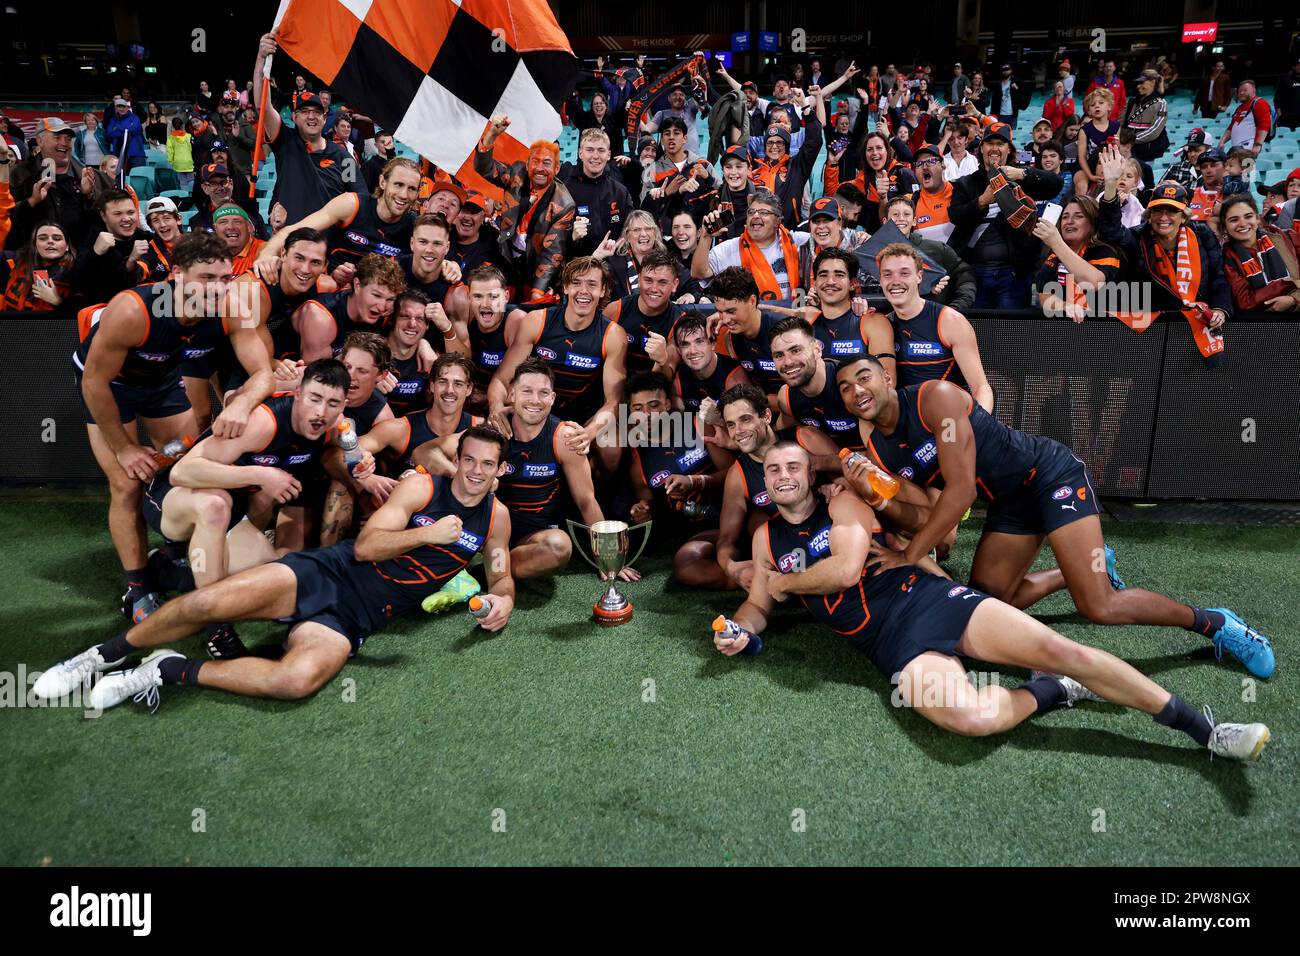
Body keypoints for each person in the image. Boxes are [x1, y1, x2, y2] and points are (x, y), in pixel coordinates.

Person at [710, 440, 1270, 762]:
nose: (783, 476)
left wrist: (785, 585)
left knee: (1061, 646)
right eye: (774, 470)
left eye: (793, 467)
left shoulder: (844, 506)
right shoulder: (766, 538)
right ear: (764, 479)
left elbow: (846, 568)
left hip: (932, 600)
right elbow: (757, 604)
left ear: (812, 475)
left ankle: (1205, 730)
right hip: (892, 646)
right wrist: (741, 631)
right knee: (970, 718)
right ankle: (1051, 692)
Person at [837, 358, 1274, 679]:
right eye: (845, 388)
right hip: (1012, 504)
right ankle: (1077, 569)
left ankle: (1216, 623)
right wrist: (868, 495)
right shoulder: (880, 447)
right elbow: (929, 513)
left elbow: (962, 492)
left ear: (886, 377)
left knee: (1099, 606)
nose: (857, 390)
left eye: (864, 377)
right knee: (992, 605)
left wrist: (911, 555)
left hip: (1049, 477)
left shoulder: (937, 399)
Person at [37, 427, 517, 711]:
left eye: (487, 464)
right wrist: (426, 534)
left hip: (356, 617)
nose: (475, 470)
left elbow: (501, 572)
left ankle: (169, 669)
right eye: (468, 459)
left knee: (295, 681)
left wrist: (504, 599)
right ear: (457, 459)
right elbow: (368, 547)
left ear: (499, 471)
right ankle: (101, 655)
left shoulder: (496, 517)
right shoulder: (423, 490)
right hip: (328, 573)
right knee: (207, 602)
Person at [73, 232, 277, 622]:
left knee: (183, 466)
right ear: (177, 274)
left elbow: (263, 374)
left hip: (162, 381)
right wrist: (124, 448)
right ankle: (139, 589)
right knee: (127, 483)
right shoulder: (133, 310)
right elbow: (94, 383)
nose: (217, 289)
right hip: (109, 387)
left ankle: (171, 555)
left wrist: (243, 403)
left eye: (224, 278)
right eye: (206, 278)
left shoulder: (233, 306)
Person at [144, 359, 359, 658]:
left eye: (332, 403)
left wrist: (366, 469)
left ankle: (165, 572)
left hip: (228, 517)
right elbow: (182, 471)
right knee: (215, 504)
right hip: (175, 498)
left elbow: (355, 453)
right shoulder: (263, 422)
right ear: (298, 393)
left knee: (266, 577)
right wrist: (260, 476)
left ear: (343, 405)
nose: (321, 412)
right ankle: (217, 629)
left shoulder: (334, 426)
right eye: (314, 399)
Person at [490, 358, 635, 581]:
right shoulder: (492, 431)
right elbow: (428, 453)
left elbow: (586, 500)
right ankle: (488, 564)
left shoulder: (564, 437)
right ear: (512, 394)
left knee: (559, 547)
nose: (535, 400)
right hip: (490, 529)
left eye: (543, 393)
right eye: (527, 391)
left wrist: (608, 556)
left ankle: (491, 570)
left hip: (533, 535)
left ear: (553, 398)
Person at [488, 256, 627, 472]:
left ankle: (602, 497)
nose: (583, 291)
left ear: (602, 291)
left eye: (591, 284)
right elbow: (502, 379)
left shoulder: (613, 335)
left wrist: (589, 432)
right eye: (576, 283)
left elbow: (614, 401)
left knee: (611, 447)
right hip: (537, 405)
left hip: (584, 413)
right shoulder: (537, 321)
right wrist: (496, 408)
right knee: (497, 430)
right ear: (565, 287)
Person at [710, 384, 841, 589]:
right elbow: (727, 537)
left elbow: (853, 476)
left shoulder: (804, 438)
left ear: (766, 416)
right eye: (731, 425)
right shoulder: (738, 474)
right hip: (791, 554)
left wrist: (834, 484)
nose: (739, 431)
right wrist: (731, 567)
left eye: (745, 419)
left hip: (836, 534)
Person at [624, 372, 733, 587]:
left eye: (653, 405)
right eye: (638, 409)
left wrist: (695, 481)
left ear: (666, 405)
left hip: (732, 515)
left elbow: (735, 474)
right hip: (696, 531)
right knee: (686, 566)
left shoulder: (696, 424)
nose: (646, 414)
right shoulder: (636, 454)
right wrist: (642, 511)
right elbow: (647, 504)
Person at [948, 123, 1063, 309]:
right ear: (981, 148)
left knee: (1011, 333)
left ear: (1009, 149)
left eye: (1000, 144)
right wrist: (982, 201)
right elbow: (956, 216)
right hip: (975, 272)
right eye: (989, 143)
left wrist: (1022, 173)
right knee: (978, 331)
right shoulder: (966, 183)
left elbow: (1055, 184)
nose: (994, 148)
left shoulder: (1021, 179)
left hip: (1014, 273)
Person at [254, 35, 364, 224]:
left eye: (316, 112)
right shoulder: (286, 142)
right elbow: (262, 107)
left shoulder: (343, 157)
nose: (311, 117)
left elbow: (359, 195)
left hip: (327, 245)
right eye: (305, 112)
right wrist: (261, 59)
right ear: (294, 118)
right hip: (290, 242)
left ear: (324, 118)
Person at [875, 243, 992, 409]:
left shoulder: (950, 321)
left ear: (919, 276)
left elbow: (981, 388)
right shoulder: (881, 325)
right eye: (888, 274)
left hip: (948, 423)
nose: (895, 281)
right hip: (907, 426)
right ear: (880, 280)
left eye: (904, 273)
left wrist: (977, 429)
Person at [474, 113, 575, 303]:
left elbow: (551, 254)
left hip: (535, 266)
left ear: (557, 169)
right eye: (535, 162)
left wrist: (537, 293)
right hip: (504, 256)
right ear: (527, 164)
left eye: (546, 163)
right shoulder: (516, 174)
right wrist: (492, 135)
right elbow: (484, 168)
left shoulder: (564, 204)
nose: (539, 168)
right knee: (494, 307)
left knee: (531, 312)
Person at [262, 156, 421, 268]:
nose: (404, 195)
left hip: (380, 302)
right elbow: (297, 229)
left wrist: (445, 265)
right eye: (398, 184)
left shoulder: (414, 226)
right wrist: (267, 254)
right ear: (382, 182)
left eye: (412, 189)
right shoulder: (353, 205)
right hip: (334, 290)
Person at [694, 190, 811, 300]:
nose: (755, 216)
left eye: (763, 212)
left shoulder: (798, 241)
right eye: (751, 212)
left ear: (777, 221)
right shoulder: (729, 248)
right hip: (750, 320)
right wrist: (706, 237)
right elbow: (699, 273)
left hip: (794, 314)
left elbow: (825, 239)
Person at [6, 116, 98, 251]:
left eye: (68, 138)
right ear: (40, 141)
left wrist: (89, 196)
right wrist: (31, 201)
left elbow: (100, 220)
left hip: (76, 257)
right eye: (57, 137)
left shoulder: (84, 174)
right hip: (31, 257)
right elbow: (6, 217)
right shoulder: (19, 174)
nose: (64, 143)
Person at [1032, 194, 1124, 322]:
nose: (1069, 221)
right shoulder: (1053, 255)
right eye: (1065, 217)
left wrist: (1057, 243)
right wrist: (1064, 305)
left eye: (1079, 216)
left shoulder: (1104, 251)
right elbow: (1044, 296)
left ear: (1093, 222)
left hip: (1101, 328)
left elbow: (1093, 283)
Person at [880, 196, 977, 310]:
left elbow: (965, 277)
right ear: (885, 221)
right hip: (887, 322)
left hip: (934, 321)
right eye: (895, 214)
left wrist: (957, 307)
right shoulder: (873, 255)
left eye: (906, 214)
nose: (901, 218)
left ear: (914, 221)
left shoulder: (937, 250)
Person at [603, 249, 684, 374]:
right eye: (648, 280)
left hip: (653, 388)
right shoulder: (615, 310)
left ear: (674, 285)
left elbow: (668, 377)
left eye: (662, 282)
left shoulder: (679, 323)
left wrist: (662, 360)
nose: (654, 289)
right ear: (639, 279)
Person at [558, 128, 634, 261]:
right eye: (590, 150)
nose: (595, 156)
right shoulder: (565, 190)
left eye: (601, 150)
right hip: (577, 268)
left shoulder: (620, 191)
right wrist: (572, 237)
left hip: (613, 269)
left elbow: (630, 229)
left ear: (609, 155)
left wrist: (618, 245)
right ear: (580, 153)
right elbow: (553, 239)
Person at [1219, 194, 1300, 312]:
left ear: (1257, 219)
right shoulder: (1227, 258)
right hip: (1259, 325)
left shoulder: (1288, 237)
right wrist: (1289, 283)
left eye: (1248, 216)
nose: (1242, 223)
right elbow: (1245, 301)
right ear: (1225, 227)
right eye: (1234, 220)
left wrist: (1293, 299)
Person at [669, 311, 752, 414]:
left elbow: (744, 424)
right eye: (685, 344)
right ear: (678, 350)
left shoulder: (734, 378)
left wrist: (717, 422)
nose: (693, 351)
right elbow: (676, 424)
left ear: (713, 343)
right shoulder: (677, 381)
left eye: (699, 342)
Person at [1, 219, 75, 311]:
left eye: (57, 238)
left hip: (52, 324)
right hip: (9, 322)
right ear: (35, 245)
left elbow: (85, 315)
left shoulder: (77, 271)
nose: (50, 242)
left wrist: (57, 301)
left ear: (67, 246)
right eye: (43, 238)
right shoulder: (16, 261)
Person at [1122, 69, 1170, 163]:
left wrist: (1129, 141)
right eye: (1138, 83)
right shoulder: (1132, 102)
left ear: (1153, 82)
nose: (1138, 86)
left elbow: (1154, 131)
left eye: (1142, 83)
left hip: (1147, 154)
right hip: (1127, 151)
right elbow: (1121, 123)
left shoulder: (1161, 103)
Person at [1219, 80, 1271, 157]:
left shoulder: (1259, 102)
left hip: (1250, 150)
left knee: (1248, 168)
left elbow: (1265, 125)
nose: (1241, 93)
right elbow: (1231, 127)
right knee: (1240, 168)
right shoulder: (1239, 108)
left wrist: (1258, 144)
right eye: (1240, 91)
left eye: (1245, 90)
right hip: (1238, 150)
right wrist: (1222, 142)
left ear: (1254, 90)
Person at [105, 97, 146, 174]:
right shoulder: (113, 120)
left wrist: (117, 127)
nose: (121, 108)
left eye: (123, 106)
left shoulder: (134, 117)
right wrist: (127, 129)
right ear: (116, 108)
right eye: (119, 106)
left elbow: (135, 130)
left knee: (139, 176)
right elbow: (109, 134)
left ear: (127, 107)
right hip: (119, 154)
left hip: (135, 153)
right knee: (120, 179)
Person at [1276, 56, 1300, 131]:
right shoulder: (1285, 79)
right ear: (1293, 66)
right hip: (1287, 116)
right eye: (1297, 65)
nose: (1299, 67)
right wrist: (1280, 115)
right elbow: (1277, 99)